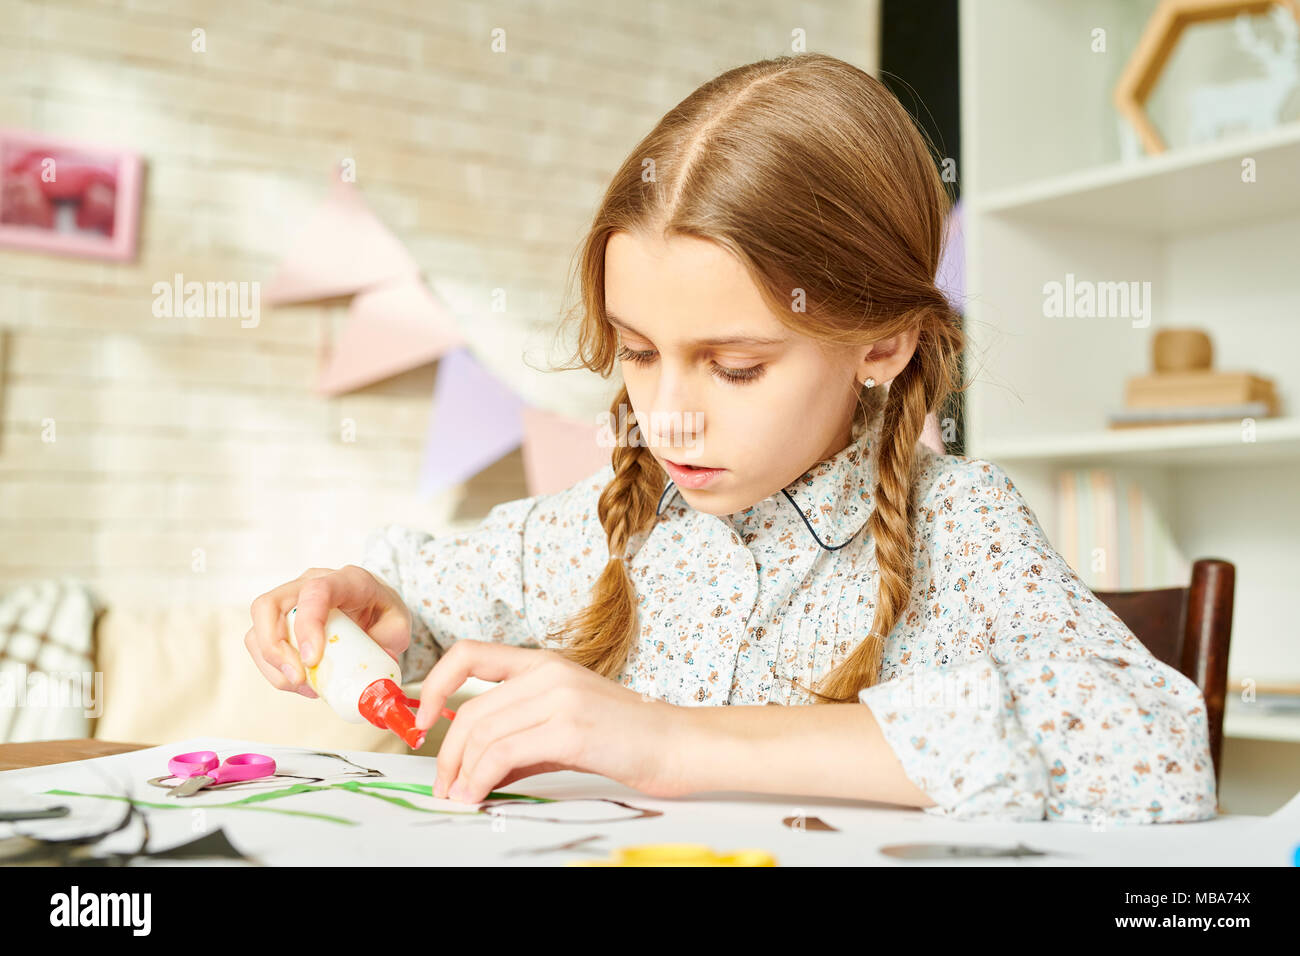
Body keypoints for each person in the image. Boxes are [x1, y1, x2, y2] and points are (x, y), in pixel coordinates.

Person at [247, 52, 1218, 824]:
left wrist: (672, 741)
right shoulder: (596, 530)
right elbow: (414, 607)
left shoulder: (961, 530)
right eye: (635, 351)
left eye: (736, 366)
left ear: (880, 339)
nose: (668, 414)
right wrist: (370, 612)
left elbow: (1155, 748)